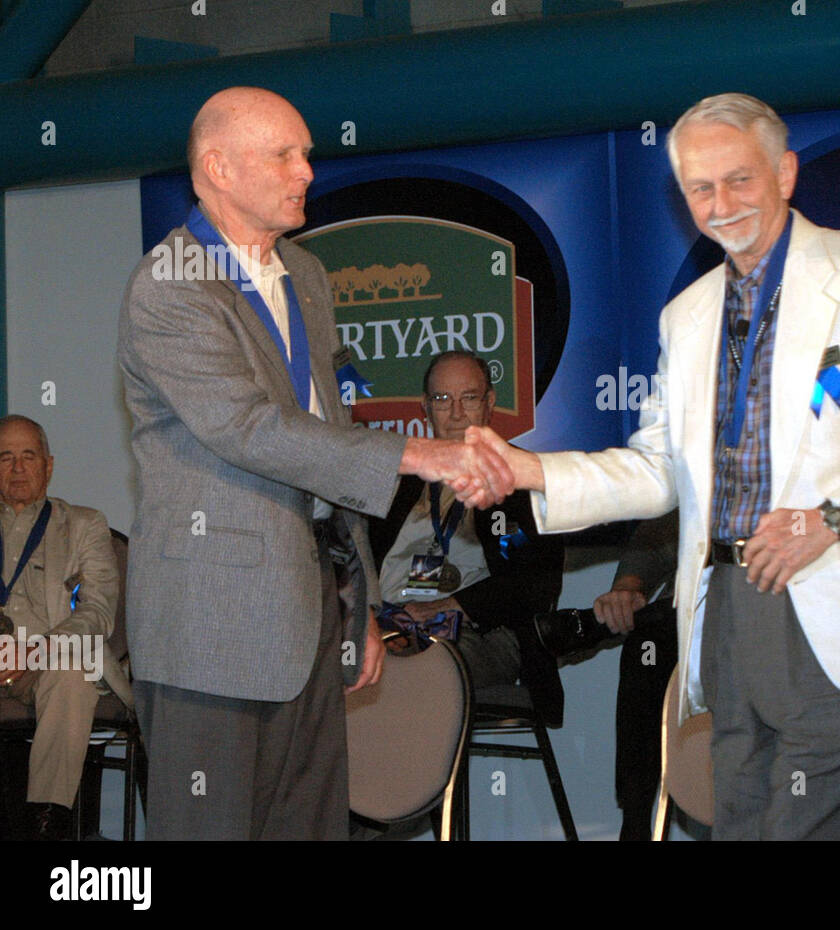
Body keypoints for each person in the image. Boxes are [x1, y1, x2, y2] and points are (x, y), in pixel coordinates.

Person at [472, 92, 840, 839]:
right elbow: (657, 470)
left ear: (786, 172)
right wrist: (529, 472)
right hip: (728, 611)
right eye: (701, 188)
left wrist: (831, 520)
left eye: (739, 179)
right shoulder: (690, 313)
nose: (722, 203)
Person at [116, 86, 513, 840]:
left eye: (307, 153)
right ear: (219, 168)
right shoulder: (166, 288)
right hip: (213, 632)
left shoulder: (305, 275)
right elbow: (248, 429)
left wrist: (356, 602)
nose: (306, 171)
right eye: (284, 154)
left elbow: (325, 437)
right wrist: (416, 453)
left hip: (310, 622)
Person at [369, 351, 565, 727]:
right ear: (425, 408)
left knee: (414, 670)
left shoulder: (520, 481)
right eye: (443, 400)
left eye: (469, 398)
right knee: (342, 662)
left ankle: (418, 785)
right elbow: (354, 563)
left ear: (489, 403)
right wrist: (376, 624)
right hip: (391, 623)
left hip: (480, 632)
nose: (457, 413)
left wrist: (456, 604)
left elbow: (535, 583)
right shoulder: (396, 485)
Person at [0, 415, 132, 839]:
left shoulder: (84, 525)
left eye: (28, 456)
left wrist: (34, 651)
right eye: (5, 457)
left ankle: (47, 823)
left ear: (49, 466)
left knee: (73, 674)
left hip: (49, 658)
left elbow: (97, 612)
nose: (17, 468)